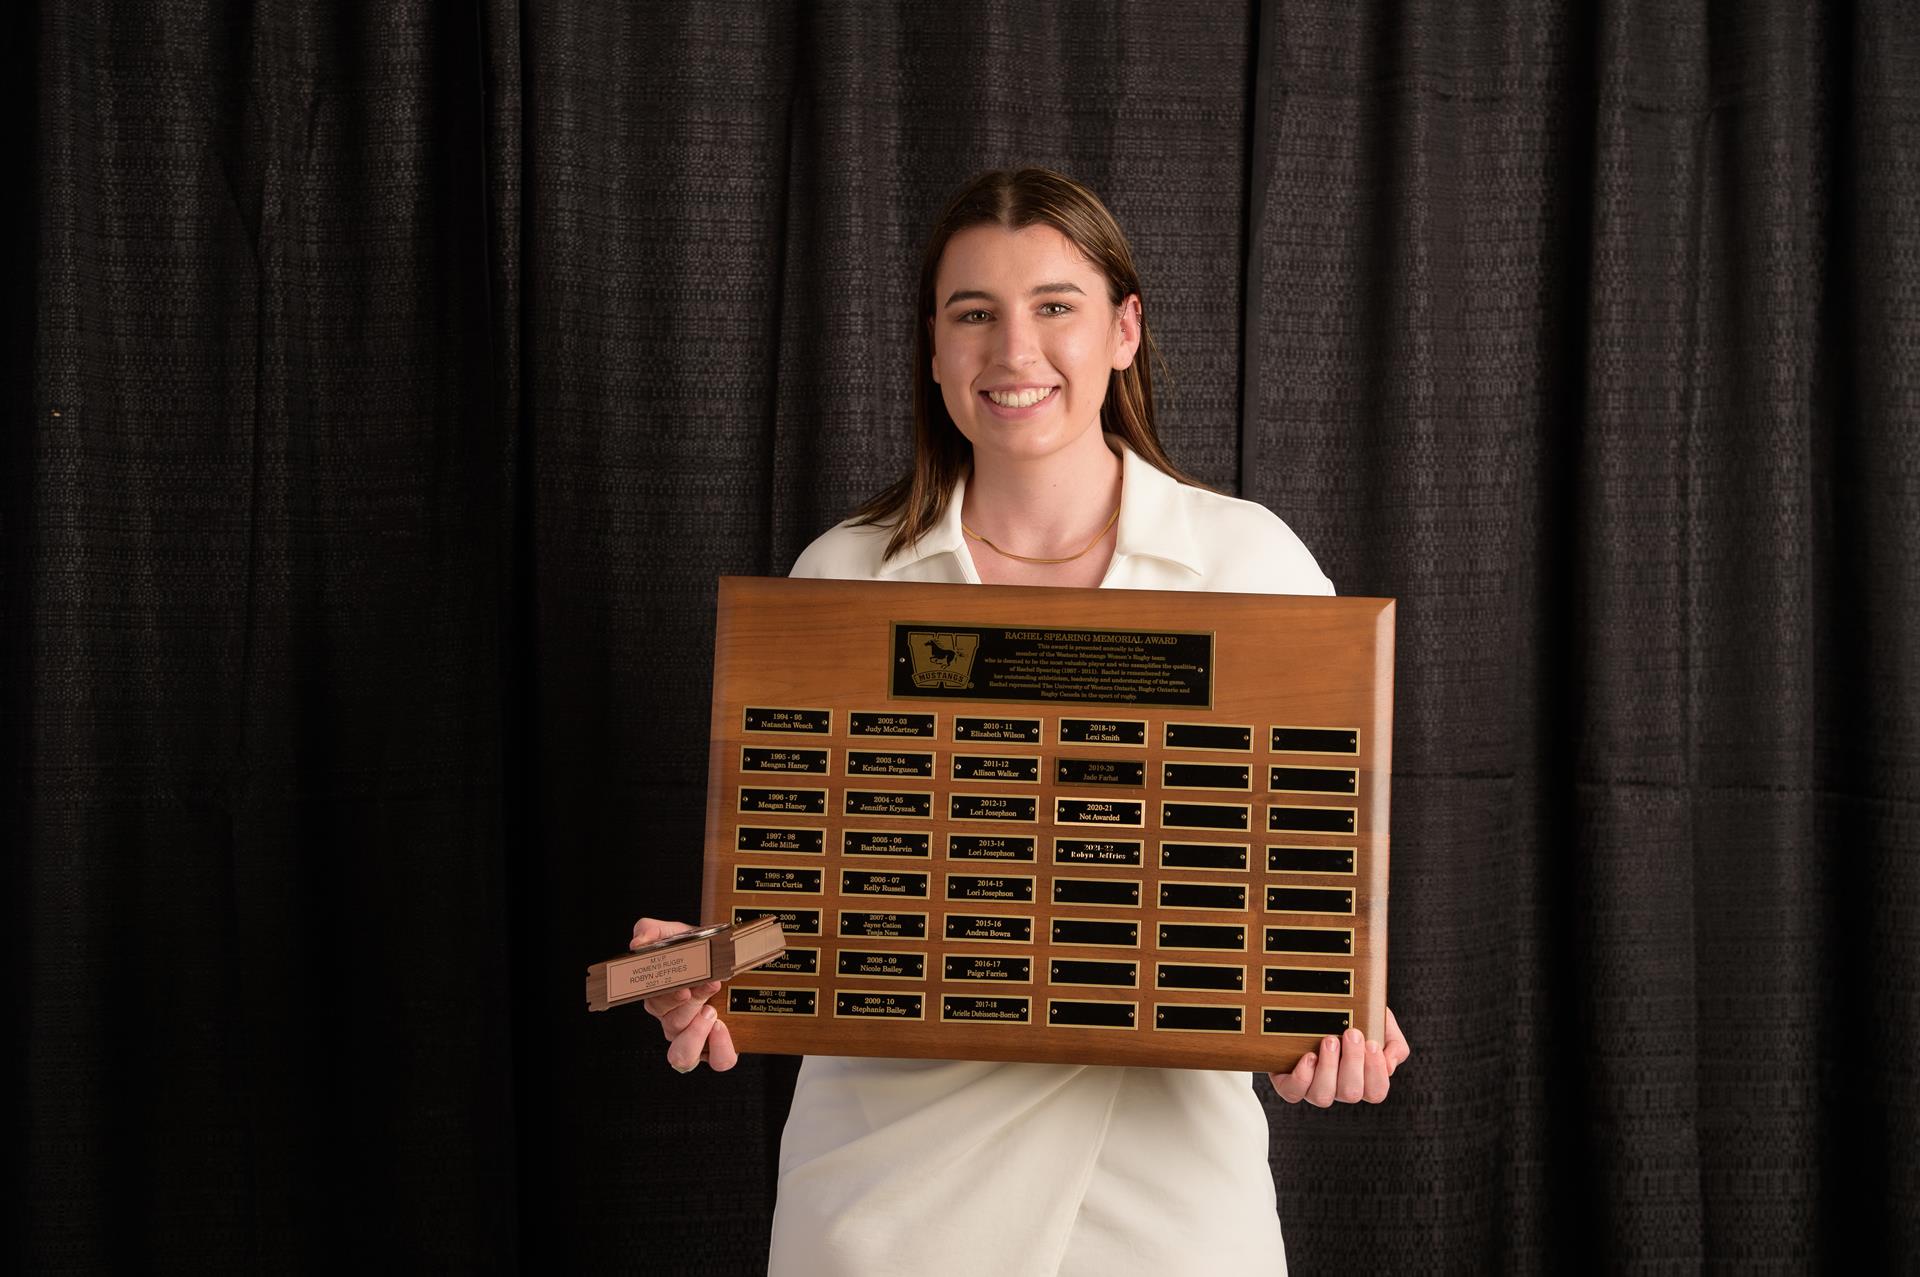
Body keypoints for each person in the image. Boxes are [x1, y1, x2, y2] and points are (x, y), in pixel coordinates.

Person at [633, 167, 1411, 1275]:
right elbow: (808, 913)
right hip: (883, 1208)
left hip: (1167, 1208)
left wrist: (1324, 1033)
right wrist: (705, 969)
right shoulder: (845, 575)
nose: (1015, 352)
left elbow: (1298, 919)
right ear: (935, 348)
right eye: (974, 314)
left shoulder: (1254, 565)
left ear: (1124, 330)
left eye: (1055, 306)